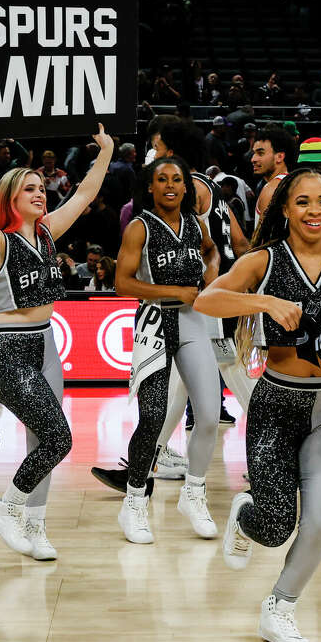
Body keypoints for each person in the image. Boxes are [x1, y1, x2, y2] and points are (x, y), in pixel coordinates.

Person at [195, 168, 321, 642]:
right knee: (277, 524)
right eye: (303, 202)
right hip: (275, 404)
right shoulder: (265, 259)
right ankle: (247, 518)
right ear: (286, 209)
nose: (314, 212)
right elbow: (207, 299)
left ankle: (279, 607)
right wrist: (262, 300)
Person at [0, 126, 112, 560]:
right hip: (9, 349)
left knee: (43, 439)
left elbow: (82, 197)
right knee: (58, 438)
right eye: (29, 189)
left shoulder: (45, 234)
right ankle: (7, 508)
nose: (40, 193)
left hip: (47, 344)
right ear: (10, 197)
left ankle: (35, 525)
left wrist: (107, 154)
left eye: (41, 187)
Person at [108, 155, 222, 543]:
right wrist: (174, 290)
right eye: (163, 179)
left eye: (178, 178)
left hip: (192, 321)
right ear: (151, 187)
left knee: (208, 415)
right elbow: (123, 283)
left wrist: (212, 277)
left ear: (186, 186)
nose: (171, 184)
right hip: (155, 321)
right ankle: (134, 501)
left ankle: (194, 492)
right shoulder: (139, 227)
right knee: (153, 416)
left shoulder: (195, 223)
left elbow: (211, 251)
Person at [252, 125, 296, 218]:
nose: (253, 159)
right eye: (254, 153)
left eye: (260, 153)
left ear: (279, 157)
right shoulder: (291, 182)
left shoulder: (272, 189)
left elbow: (263, 232)